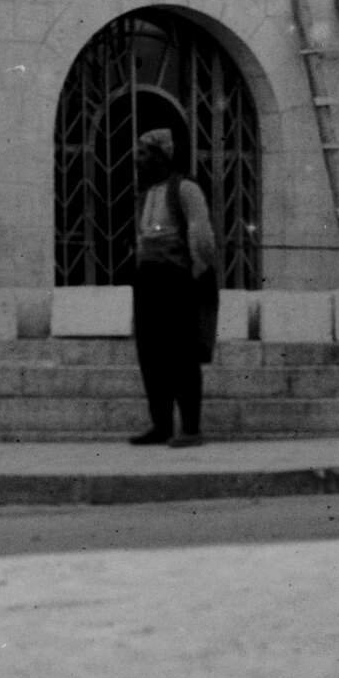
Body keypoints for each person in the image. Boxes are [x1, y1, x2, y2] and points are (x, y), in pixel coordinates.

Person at [128, 121, 217, 447]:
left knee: (182, 356)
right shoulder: (145, 193)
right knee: (151, 355)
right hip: (148, 282)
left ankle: (191, 429)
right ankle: (161, 425)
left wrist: (196, 272)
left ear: (160, 156)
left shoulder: (185, 189)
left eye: (142, 154)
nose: (136, 159)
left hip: (177, 281)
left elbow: (202, 236)